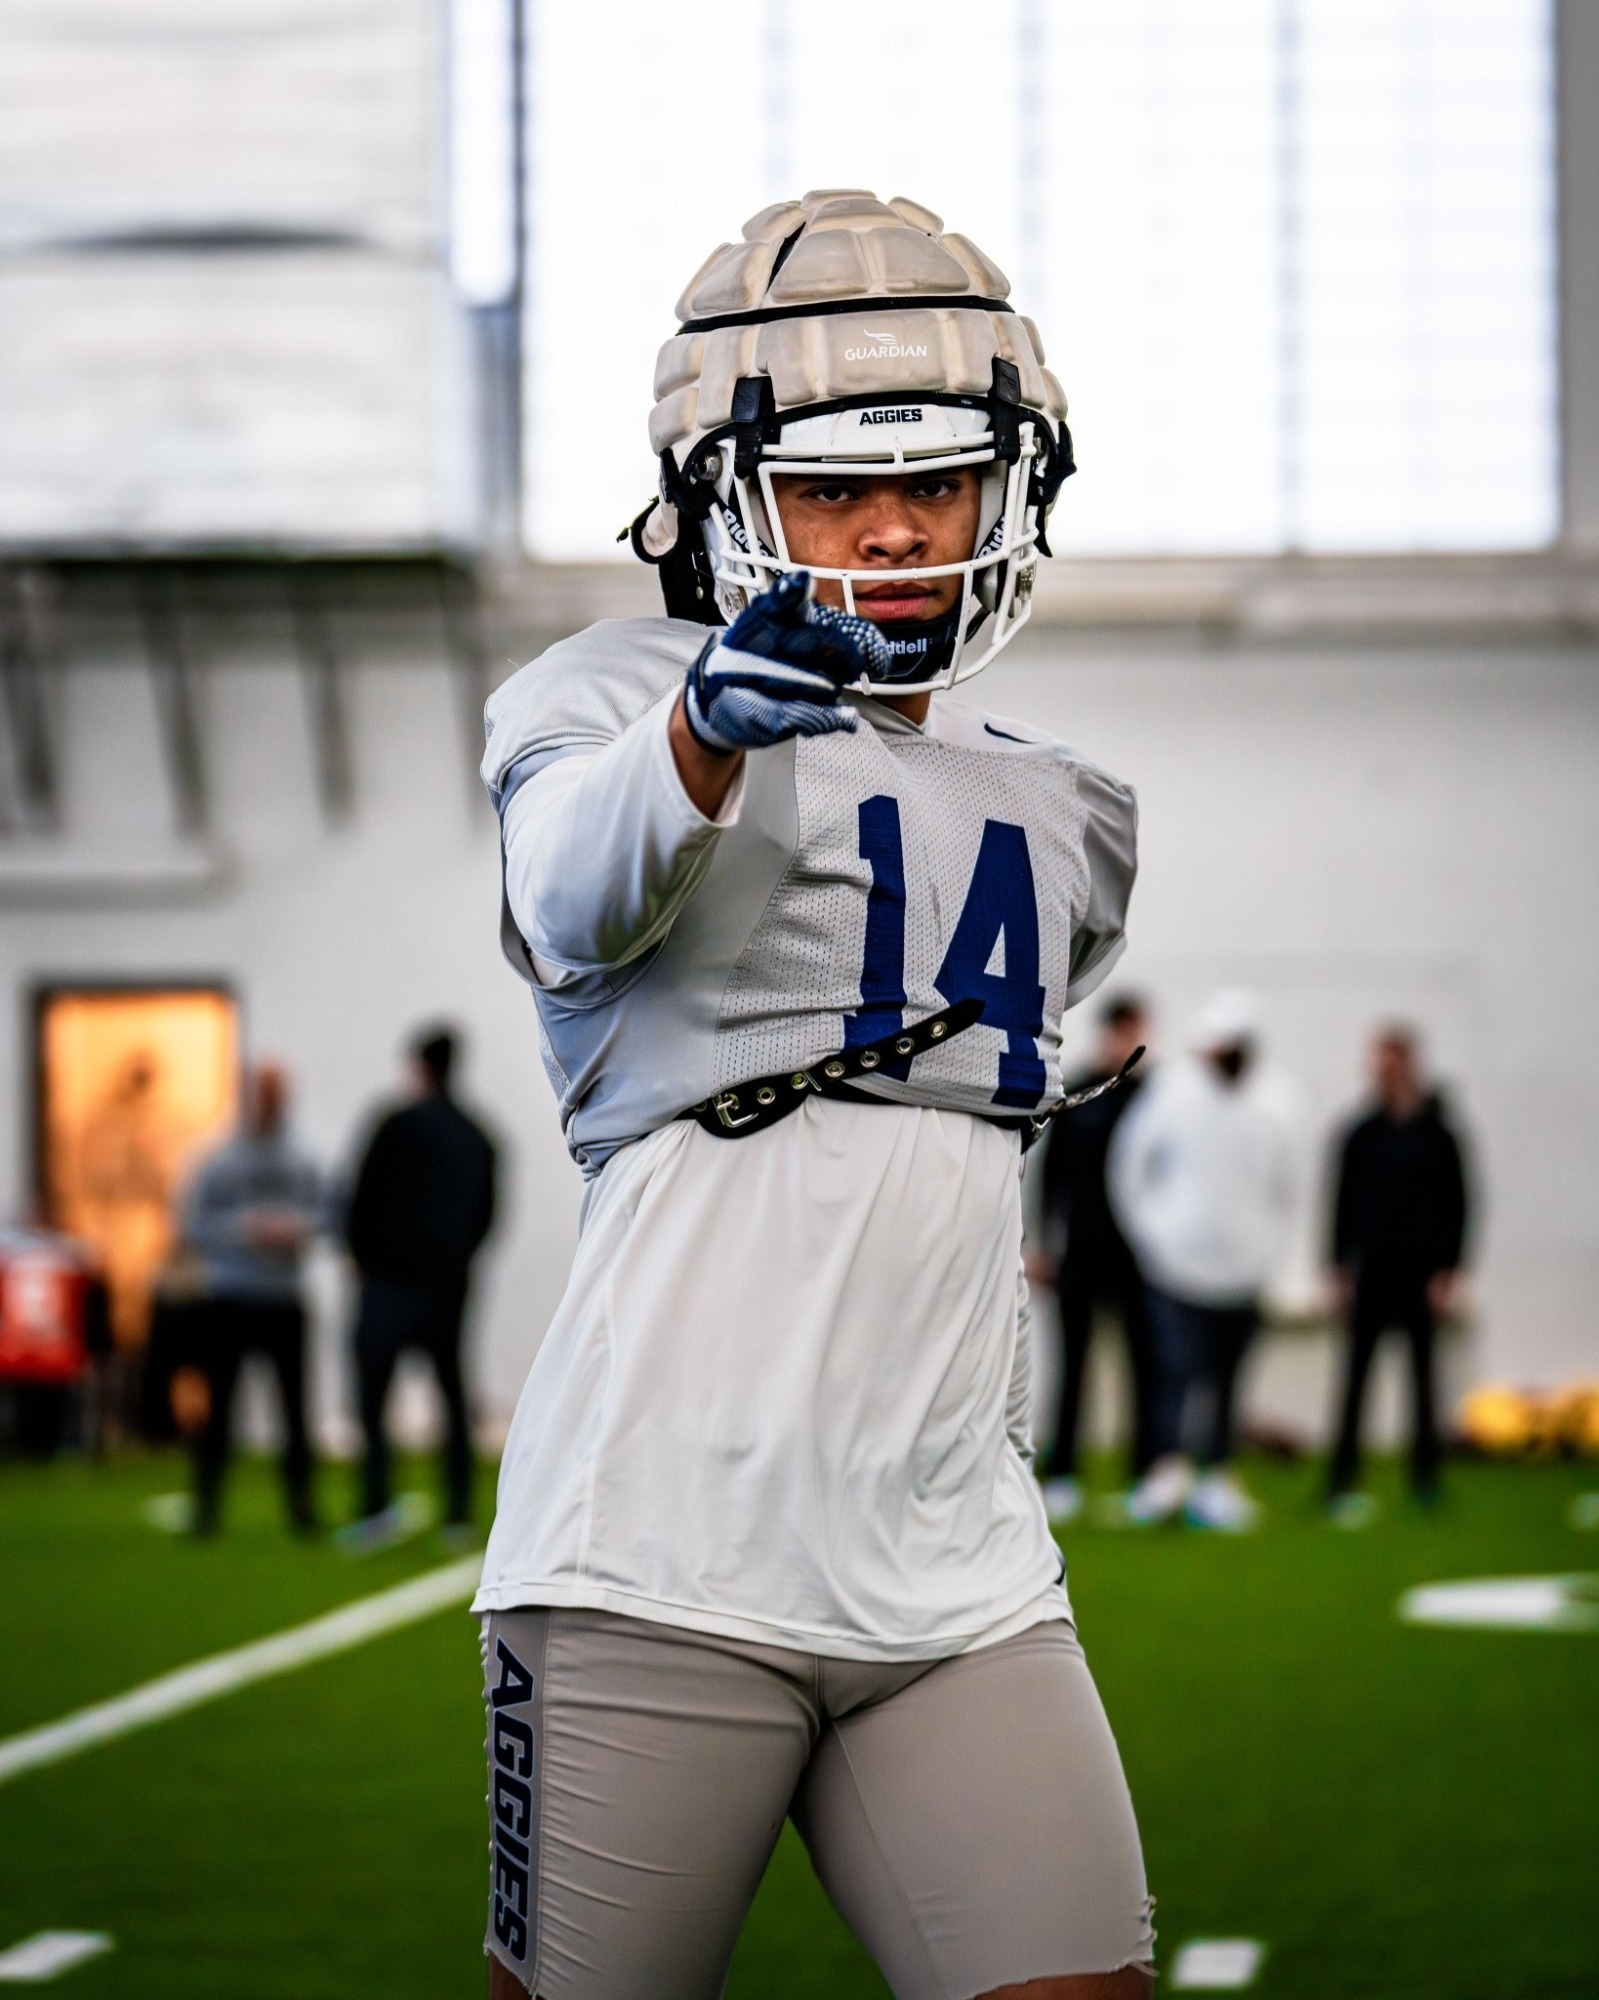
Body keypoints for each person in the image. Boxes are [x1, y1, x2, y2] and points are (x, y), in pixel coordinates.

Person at [474, 192, 1153, 2000]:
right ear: (718, 497)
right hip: (655, 1548)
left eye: (933, 483)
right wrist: (703, 720)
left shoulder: (1063, 807)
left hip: (954, 1558)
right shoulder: (614, 697)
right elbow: (565, 893)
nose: (892, 530)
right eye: (837, 488)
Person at [1108, 990, 1301, 1532]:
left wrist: (1269, 1252)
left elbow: (1288, 1186)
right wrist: (1152, 1239)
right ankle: (1165, 1474)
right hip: (1177, 1272)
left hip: (1243, 1274)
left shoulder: (1277, 1103)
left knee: (1228, 1380)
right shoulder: (1172, 1095)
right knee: (1172, 1373)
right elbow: (1130, 1168)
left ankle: (1217, 1476)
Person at [342, 1026, 498, 1546]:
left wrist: (364, 1263)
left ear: (420, 1066)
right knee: (453, 1399)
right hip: (445, 1288)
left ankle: (376, 1505)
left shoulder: (393, 1124)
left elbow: (357, 1200)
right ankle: (457, 1513)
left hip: (387, 1284)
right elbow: (487, 1216)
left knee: (373, 1398)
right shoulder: (478, 1135)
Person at [1326, 1025, 1469, 1518]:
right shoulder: (1361, 1132)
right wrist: (1337, 1264)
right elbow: (1340, 1201)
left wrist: (1450, 1268)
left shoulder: (1438, 1134)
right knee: (1356, 1378)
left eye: (1389, 1060)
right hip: (1371, 1272)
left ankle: (1425, 1477)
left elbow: (1459, 1202)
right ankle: (1342, 1477)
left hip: (1420, 1274)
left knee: (1424, 1379)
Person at [180, 1061, 324, 1535]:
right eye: (261, 1095)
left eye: (275, 1095)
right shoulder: (217, 1161)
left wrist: (298, 1230)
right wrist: (244, 1230)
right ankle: (206, 1505)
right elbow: (191, 1224)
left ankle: (301, 1507)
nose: (268, 1104)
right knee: (218, 1407)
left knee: (294, 1411)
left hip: (283, 1298)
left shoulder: (304, 1160)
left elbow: (329, 1216)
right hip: (229, 1298)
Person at [1027, 994, 1155, 1522]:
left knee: (1142, 1367)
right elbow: (1050, 1177)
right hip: (1079, 1253)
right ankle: (1063, 1474)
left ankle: (1145, 1474)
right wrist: (1038, 1244)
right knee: (1073, 1366)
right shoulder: (1079, 1091)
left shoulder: (1156, 1097)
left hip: (1138, 1258)